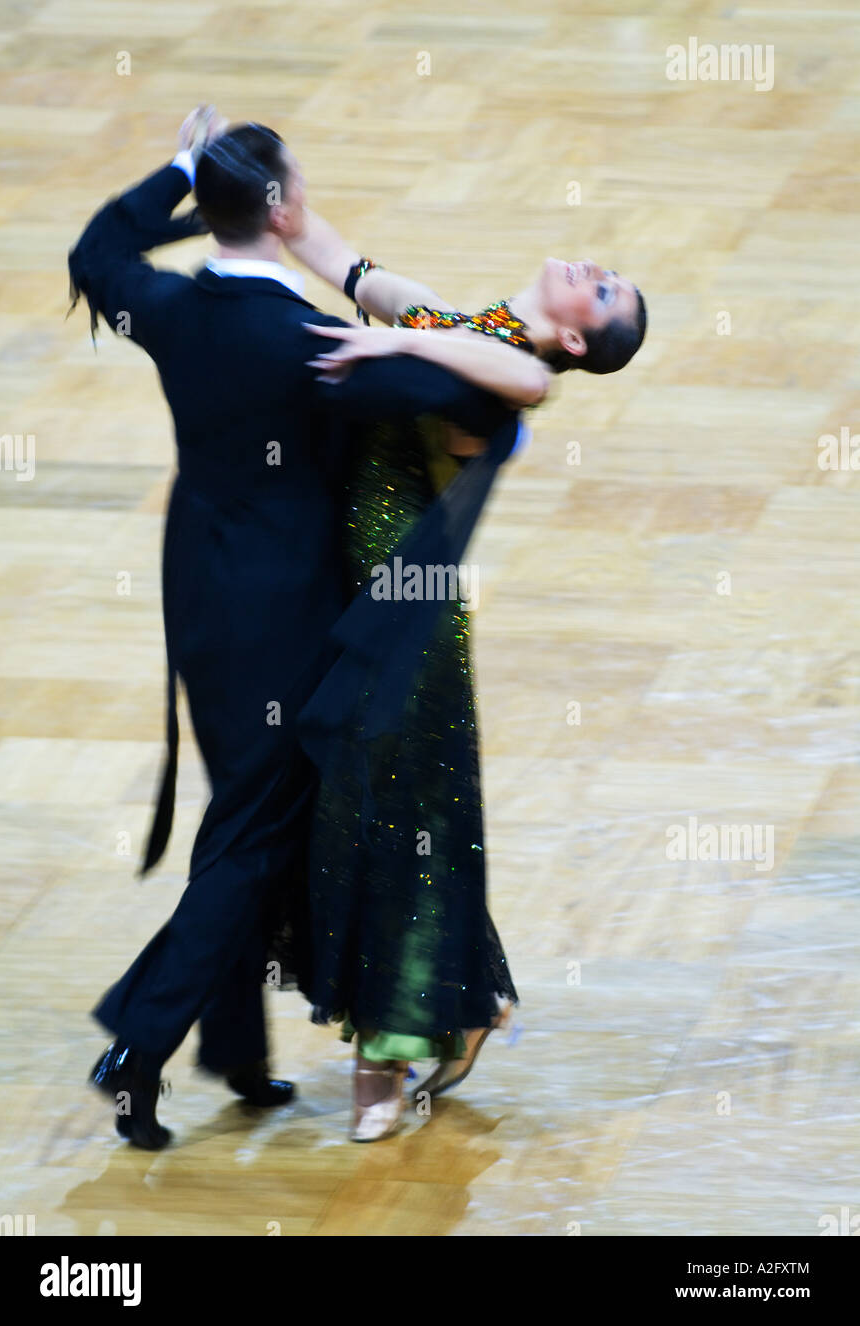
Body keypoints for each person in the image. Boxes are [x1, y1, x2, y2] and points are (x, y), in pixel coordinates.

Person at [68, 108, 530, 1149]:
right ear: (280, 210)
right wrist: (502, 356)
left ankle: (241, 1057)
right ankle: (136, 1049)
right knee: (249, 841)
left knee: (240, 820)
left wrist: (181, 162)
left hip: (198, 596)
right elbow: (478, 392)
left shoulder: (172, 308)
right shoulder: (319, 347)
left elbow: (97, 248)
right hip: (287, 622)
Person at [273, 212, 647, 1139]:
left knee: (393, 819)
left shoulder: (511, 372)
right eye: (606, 274)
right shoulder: (454, 327)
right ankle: (467, 1003)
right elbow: (345, 265)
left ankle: (383, 1063)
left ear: (572, 337)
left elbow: (526, 380)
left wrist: (395, 336)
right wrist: (281, 208)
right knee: (384, 816)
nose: (595, 268)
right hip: (347, 601)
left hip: (412, 623)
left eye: (602, 293)